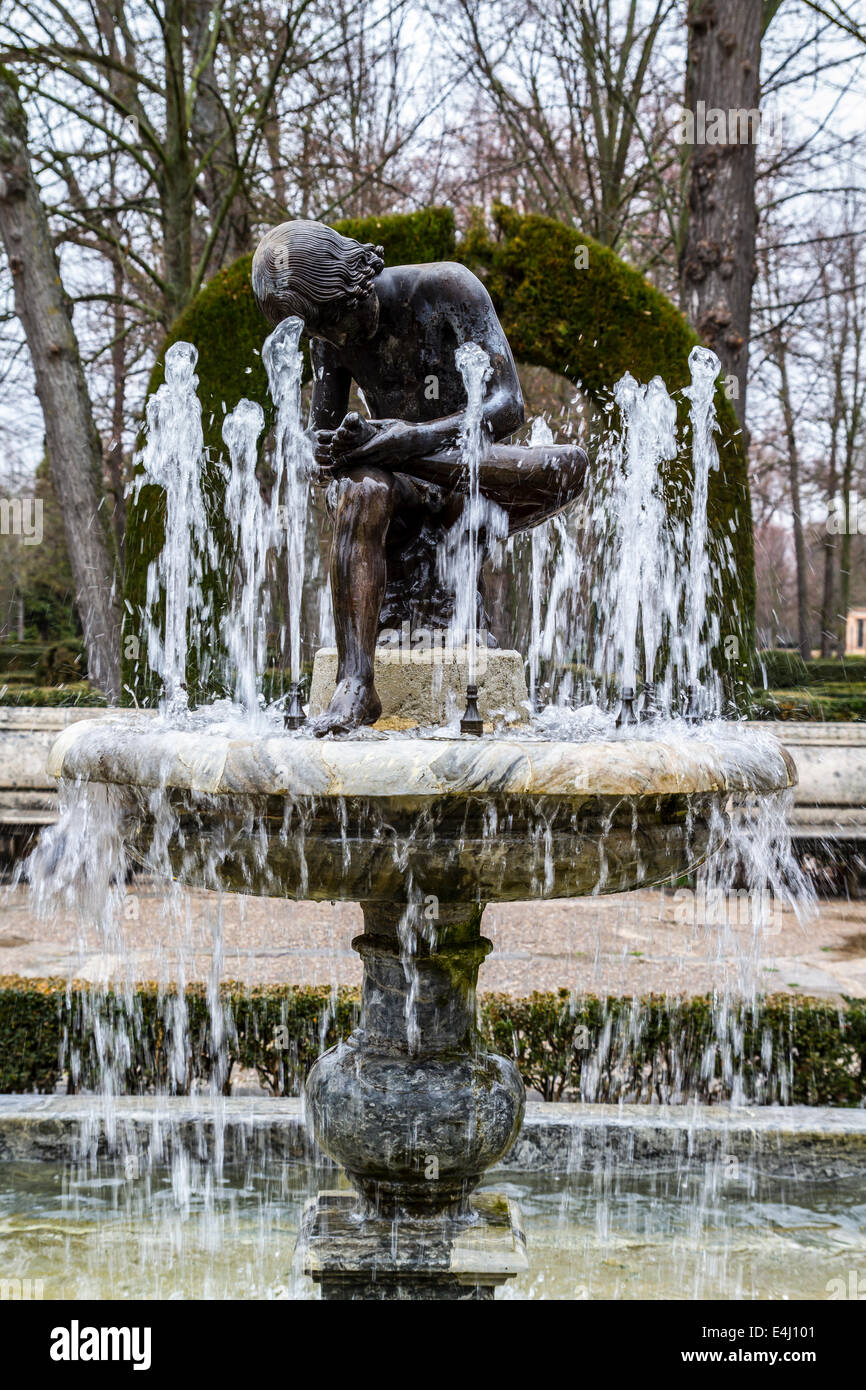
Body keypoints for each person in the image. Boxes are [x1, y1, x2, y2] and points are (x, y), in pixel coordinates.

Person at [252, 219, 587, 734]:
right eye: (324, 332)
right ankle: (357, 684)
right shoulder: (328, 338)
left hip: (466, 473)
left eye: (342, 320)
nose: (339, 338)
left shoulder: (447, 287)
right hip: (400, 490)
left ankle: (402, 459)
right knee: (361, 489)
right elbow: (323, 452)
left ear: (359, 275)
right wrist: (328, 447)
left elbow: (508, 406)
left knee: (569, 467)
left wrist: (411, 439)